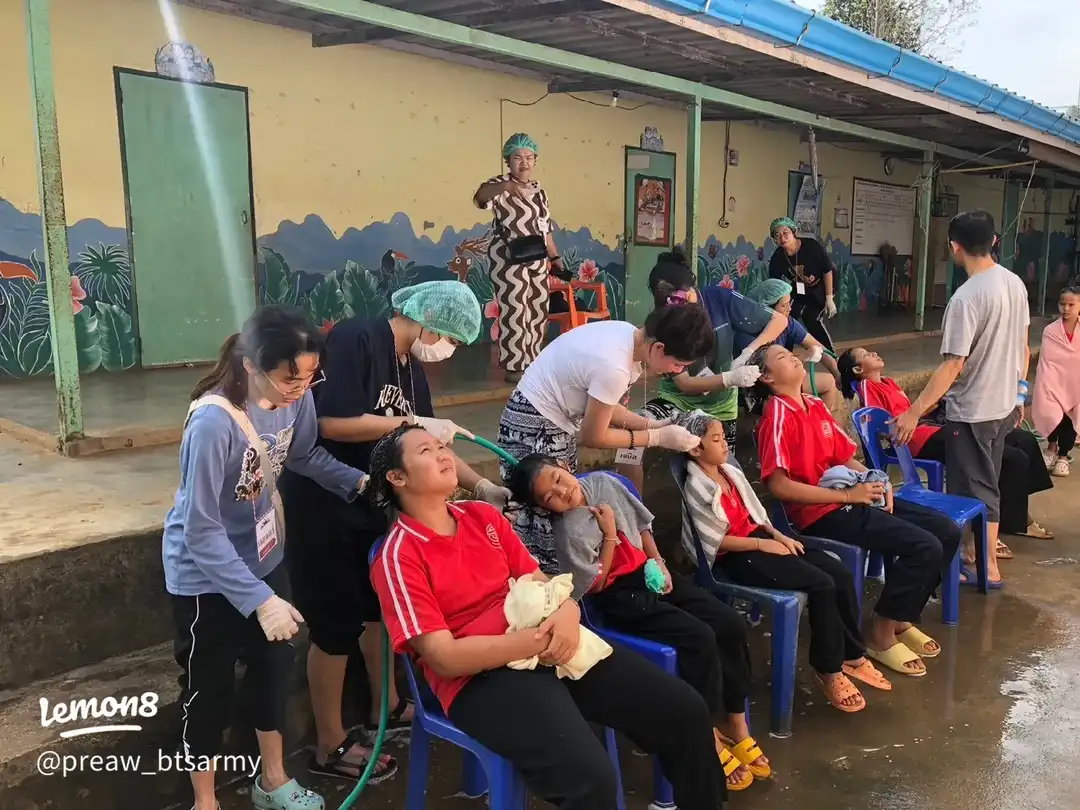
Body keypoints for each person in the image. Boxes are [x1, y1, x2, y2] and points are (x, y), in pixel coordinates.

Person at [367, 425, 728, 810]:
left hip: (549, 644)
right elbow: (444, 657)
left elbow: (541, 583)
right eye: (426, 449)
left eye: (442, 446)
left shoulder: (481, 516)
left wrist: (569, 612)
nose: (443, 453)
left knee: (685, 711)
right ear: (397, 477)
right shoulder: (399, 556)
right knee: (590, 780)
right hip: (479, 679)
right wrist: (536, 641)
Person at [281, 281, 510, 782]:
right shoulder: (357, 338)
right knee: (335, 624)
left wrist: (480, 486)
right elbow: (330, 423)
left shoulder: (411, 368)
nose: (446, 349)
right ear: (426, 321)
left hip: (371, 502)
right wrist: (407, 419)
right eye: (446, 336)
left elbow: (425, 440)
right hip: (325, 503)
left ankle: (389, 705)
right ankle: (328, 743)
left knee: (377, 612)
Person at [164, 306, 370, 810]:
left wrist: (360, 484)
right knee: (207, 690)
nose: (300, 388)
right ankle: (205, 800)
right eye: (289, 378)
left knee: (273, 672)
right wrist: (259, 600)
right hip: (205, 579)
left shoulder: (295, 400)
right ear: (252, 365)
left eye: (309, 376)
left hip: (264, 559)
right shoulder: (214, 423)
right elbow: (201, 529)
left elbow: (301, 457)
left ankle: (273, 780)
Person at [506, 455, 770, 790]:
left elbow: (643, 525)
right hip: (619, 596)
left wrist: (658, 561)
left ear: (565, 466)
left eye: (558, 480)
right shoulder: (568, 530)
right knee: (699, 637)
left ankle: (735, 723)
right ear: (545, 508)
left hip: (650, 573)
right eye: (549, 498)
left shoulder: (604, 484)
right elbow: (592, 586)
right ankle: (707, 738)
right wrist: (609, 535)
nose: (562, 493)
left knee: (729, 622)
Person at [750, 343, 961, 678]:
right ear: (766, 377)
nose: (792, 356)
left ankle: (900, 618)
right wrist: (849, 496)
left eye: (791, 354)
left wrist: (876, 481)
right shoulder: (776, 415)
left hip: (851, 495)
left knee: (947, 531)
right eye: (780, 358)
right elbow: (778, 486)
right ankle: (880, 635)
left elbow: (842, 457)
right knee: (924, 546)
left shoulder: (815, 405)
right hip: (819, 512)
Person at [679, 414, 891, 713]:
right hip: (737, 556)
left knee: (839, 573)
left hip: (760, 542)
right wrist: (763, 544)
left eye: (723, 437)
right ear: (695, 450)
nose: (724, 445)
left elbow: (758, 516)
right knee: (821, 584)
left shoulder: (729, 473)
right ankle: (829, 670)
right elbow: (714, 543)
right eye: (716, 440)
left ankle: (853, 655)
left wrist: (781, 536)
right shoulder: (697, 486)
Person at [496, 304, 714, 573]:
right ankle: (553, 597)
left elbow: (604, 407)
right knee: (548, 520)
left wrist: (652, 424)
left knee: (564, 512)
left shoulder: (627, 337)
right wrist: (656, 437)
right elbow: (594, 436)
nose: (676, 371)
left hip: (546, 418)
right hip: (534, 428)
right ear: (658, 348)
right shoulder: (616, 366)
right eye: (678, 364)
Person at [891, 210, 1031, 588]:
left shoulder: (966, 298)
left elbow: (953, 365)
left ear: (954, 246)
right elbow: (1023, 349)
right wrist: (1019, 394)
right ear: (994, 242)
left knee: (977, 488)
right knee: (986, 481)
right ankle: (974, 554)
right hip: (1002, 406)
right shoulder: (1014, 282)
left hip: (974, 410)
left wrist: (914, 412)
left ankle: (987, 565)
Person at [839, 346, 1054, 567]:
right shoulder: (866, 388)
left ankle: (1012, 516)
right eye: (866, 355)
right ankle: (1000, 525)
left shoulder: (889, 382)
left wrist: (930, 405)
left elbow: (914, 409)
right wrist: (915, 414)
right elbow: (884, 424)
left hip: (932, 425)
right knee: (1009, 457)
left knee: (1024, 441)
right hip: (917, 438)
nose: (874, 354)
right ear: (858, 368)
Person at [619, 248, 788, 492]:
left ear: (689, 290)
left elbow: (779, 321)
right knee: (629, 440)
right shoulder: (665, 318)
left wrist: (749, 350)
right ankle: (634, 515)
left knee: (727, 473)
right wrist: (730, 378)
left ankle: (729, 519)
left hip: (720, 406)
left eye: (681, 302)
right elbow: (685, 383)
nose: (678, 312)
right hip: (677, 400)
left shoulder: (719, 299)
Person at [473, 133, 565, 383]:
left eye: (528, 157)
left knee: (537, 310)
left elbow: (545, 228)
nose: (524, 162)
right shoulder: (499, 184)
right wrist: (507, 187)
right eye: (517, 157)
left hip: (536, 256)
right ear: (508, 161)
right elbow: (480, 198)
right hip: (507, 257)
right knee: (515, 309)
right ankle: (515, 366)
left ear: (535, 160)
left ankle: (532, 362)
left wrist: (555, 257)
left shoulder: (540, 192)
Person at [737, 278, 841, 410]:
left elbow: (817, 347)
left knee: (829, 382)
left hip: (785, 378)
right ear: (767, 309)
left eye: (789, 303)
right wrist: (801, 359)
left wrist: (837, 373)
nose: (790, 309)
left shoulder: (788, 322)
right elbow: (764, 375)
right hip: (759, 389)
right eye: (784, 305)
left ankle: (820, 425)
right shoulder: (747, 333)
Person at [767, 218, 837, 351]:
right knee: (786, 317)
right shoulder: (778, 257)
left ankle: (829, 352)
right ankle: (786, 353)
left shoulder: (811, 246)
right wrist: (778, 306)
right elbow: (775, 283)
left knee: (811, 317)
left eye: (785, 232)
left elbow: (827, 270)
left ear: (794, 232)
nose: (782, 237)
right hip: (800, 288)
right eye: (777, 235)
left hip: (822, 285)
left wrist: (829, 298)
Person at [1032, 285, 1080, 477]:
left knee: (1070, 417)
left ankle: (1063, 455)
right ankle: (1050, 448)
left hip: (1075, 384)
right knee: (1052, 413)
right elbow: (1047, 361)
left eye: (1071, 304)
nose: (1066, 309)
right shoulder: (1050, 331)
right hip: (1052, 382)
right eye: (1062, 304)